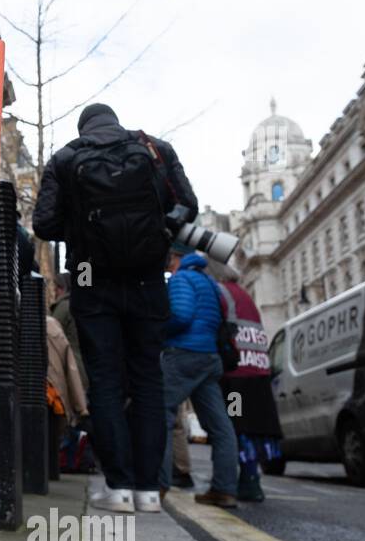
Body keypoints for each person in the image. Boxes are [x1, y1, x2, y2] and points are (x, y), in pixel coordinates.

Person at [33, 103, 198, 514]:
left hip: (92, 279)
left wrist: (83, 224)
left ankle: (119, 488)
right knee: (147, 381)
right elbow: (187, 206)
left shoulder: (66, 158)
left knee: (105, 382)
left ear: (83, 127)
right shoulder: (155, 149)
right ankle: (148, 491)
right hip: (147, 279)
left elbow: (44, 224)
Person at [160, 245, 240, 506]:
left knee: (160, 414)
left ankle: (156, 486)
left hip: (184, 353)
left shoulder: (182, 278)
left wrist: (161, 328)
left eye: (170, 258)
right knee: (220, 426)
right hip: (209, 356)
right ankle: (225, 489)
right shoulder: (209, 281)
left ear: (177, 258)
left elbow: (181, 315)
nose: (168, 263)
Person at [207, 258, 282, 502]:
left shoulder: (220, 292)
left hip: (236, 375)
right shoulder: (244, 294)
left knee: (236, 428)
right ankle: (252, 478)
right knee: (252, 428)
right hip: (258, 371)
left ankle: (246, 481)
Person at [47, 313, 89, 473]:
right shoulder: (53, 324)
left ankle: (70, 461)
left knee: (73, 429)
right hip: (74, 373)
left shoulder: (55, 319)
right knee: (75, 426)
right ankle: (74, 462)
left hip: (63, 379)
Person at [49, 272, 87, 390]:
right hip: (85, 366)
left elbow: (50, 333)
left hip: (71, 369)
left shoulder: (64, 307)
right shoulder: (81, 305)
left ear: (63, 288)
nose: (55, 292)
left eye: (57, 288)